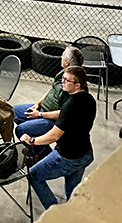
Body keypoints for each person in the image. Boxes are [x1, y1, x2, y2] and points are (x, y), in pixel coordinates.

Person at [21, 65, 96, 209]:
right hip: (85, 153)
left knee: (34, 175)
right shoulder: (89, 99)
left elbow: (54, 136)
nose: (62, 82)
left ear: (77, 85)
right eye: (63, 78)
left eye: (66, 80)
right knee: (72, 190)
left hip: (68, 157)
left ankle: (53, 212)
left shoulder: (70, 105)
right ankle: (73, 213)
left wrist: (32, 141)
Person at [14, 45, 84, 141]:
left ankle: (41, 148)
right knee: (12, 112)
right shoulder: (63, 74)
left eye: (63, 55)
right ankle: (37, 140)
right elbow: (52, 90)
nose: (61, 57)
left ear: (67, 63)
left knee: (21, 130)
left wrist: (39, 114)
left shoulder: (73, 86)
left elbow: (64, 114)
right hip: (41, 110)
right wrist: (37, 104)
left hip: (51, 120)